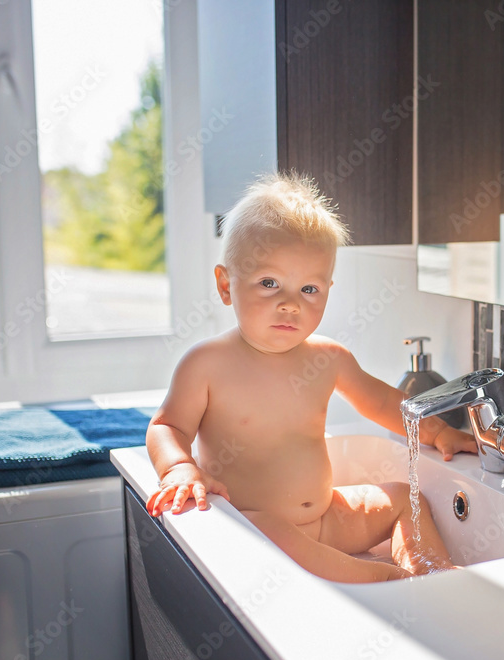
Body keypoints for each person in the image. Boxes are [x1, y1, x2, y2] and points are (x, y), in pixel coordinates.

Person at [145, 173, 476, 583]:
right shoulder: (207, 364)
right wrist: (179, 467)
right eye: (269, 283)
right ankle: (387, 582)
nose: (290, 304)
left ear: (328, 289)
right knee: (270, 533)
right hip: (257, 524)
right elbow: (167, 426)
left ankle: (427, 566)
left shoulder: (327, 358)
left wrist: (439, 432)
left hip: (326, 515)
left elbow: (382, 403)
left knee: (403, 499)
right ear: (226, 284)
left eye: (309, 289)